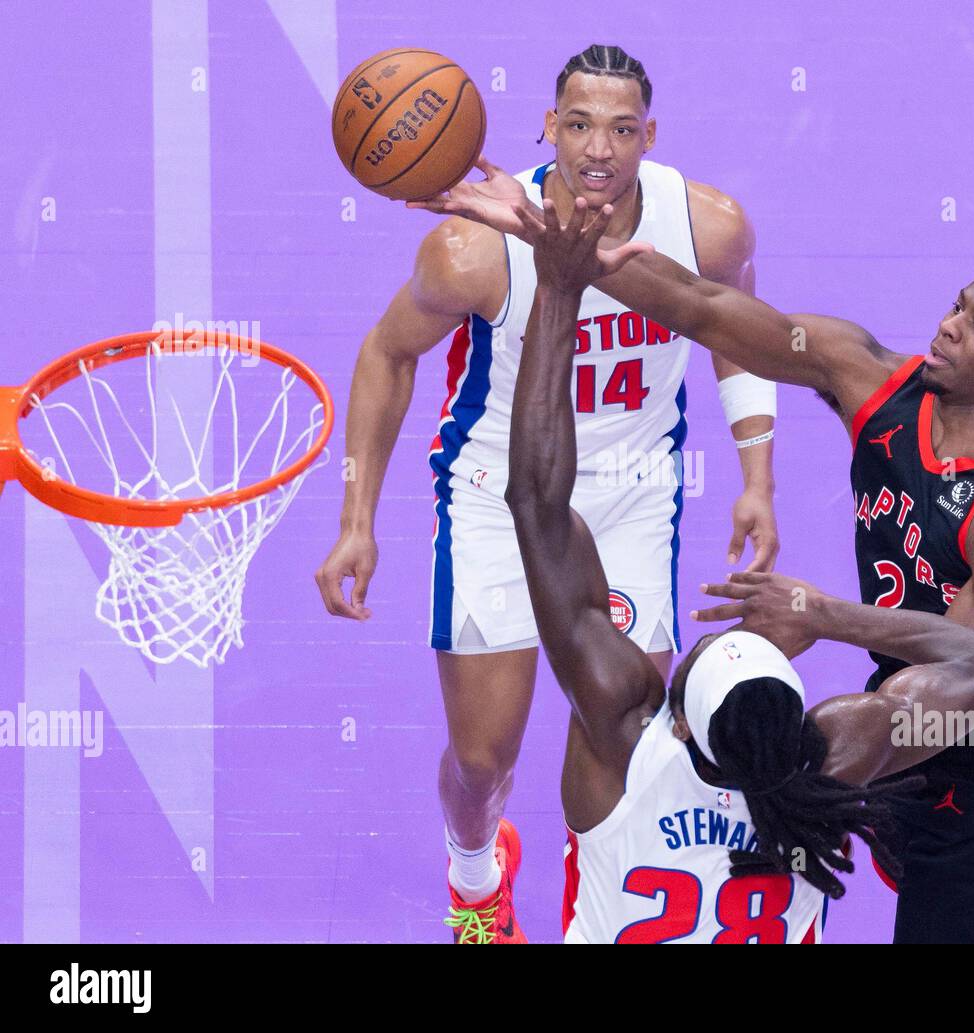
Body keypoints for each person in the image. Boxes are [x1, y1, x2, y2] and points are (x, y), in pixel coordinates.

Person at [430, 131, 974, 942]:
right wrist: (557, 234)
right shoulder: (873, 378)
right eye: (959, 304)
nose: (951, 327)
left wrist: (823, 616)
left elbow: (968, 661)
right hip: (887, 730)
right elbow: (701, 304)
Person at [315, 44, 780, 943]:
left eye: (619, 128)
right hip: (499, 492)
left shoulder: (711, 226)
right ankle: (476, 876)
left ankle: (592, 913)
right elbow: (387, 353)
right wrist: (355, 521)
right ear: (545, 129)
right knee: (484, 759)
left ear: (651, 134)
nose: (597, 148)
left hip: (634, 496)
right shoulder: (472, 246)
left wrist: (756, 476)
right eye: (577, 124)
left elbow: (743, 333)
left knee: (627, 729)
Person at [507, 194, 974, 943]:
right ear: (799, 723)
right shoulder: (833, 761)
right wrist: (829, 617)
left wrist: (557, 291)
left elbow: (535, 498)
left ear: (679, 721)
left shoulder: (625, 741)